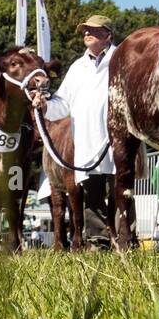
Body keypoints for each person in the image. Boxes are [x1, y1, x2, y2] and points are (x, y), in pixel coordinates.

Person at [32, 15, 118, 239]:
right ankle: (98, 242)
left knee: (121, 191)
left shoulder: (121, 59)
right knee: (93, 194)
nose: (86, 33)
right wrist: (45, 105)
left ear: (107, 35)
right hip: (87, 140)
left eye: (93, 30)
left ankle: (126, 241)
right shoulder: (77, 67)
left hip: (116, 137)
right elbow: (62, 104)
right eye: (85, 30)